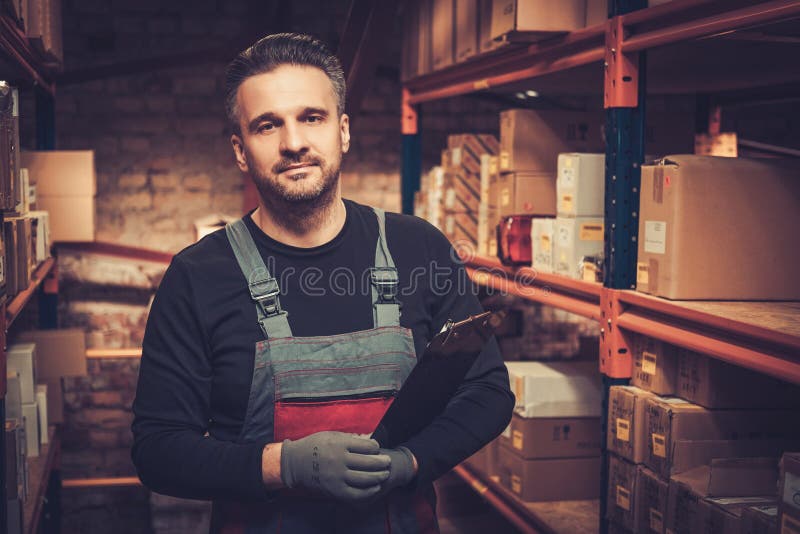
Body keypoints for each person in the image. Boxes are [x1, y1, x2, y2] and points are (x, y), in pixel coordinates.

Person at [131, 32, 513, 533]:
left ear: (343, 131)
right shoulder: (197, 276)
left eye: (312, 117)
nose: (293, 142)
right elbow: (158, 449)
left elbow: (487, 392)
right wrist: (286, 466)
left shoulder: (420, 249)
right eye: (268, 125)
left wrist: (411, 461)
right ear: (240, 150)